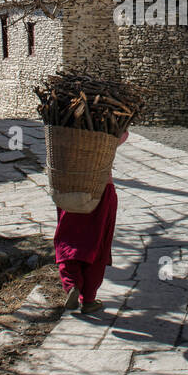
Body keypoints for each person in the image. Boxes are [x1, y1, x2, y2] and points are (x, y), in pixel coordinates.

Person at [53, 130, 127, 314]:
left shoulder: (61, 126)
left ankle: (71, 285)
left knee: (68, 237)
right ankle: (88, 299)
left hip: (68, 187)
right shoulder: (108, 125)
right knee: (97, 243)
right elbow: (123, 134)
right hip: (100, 188)